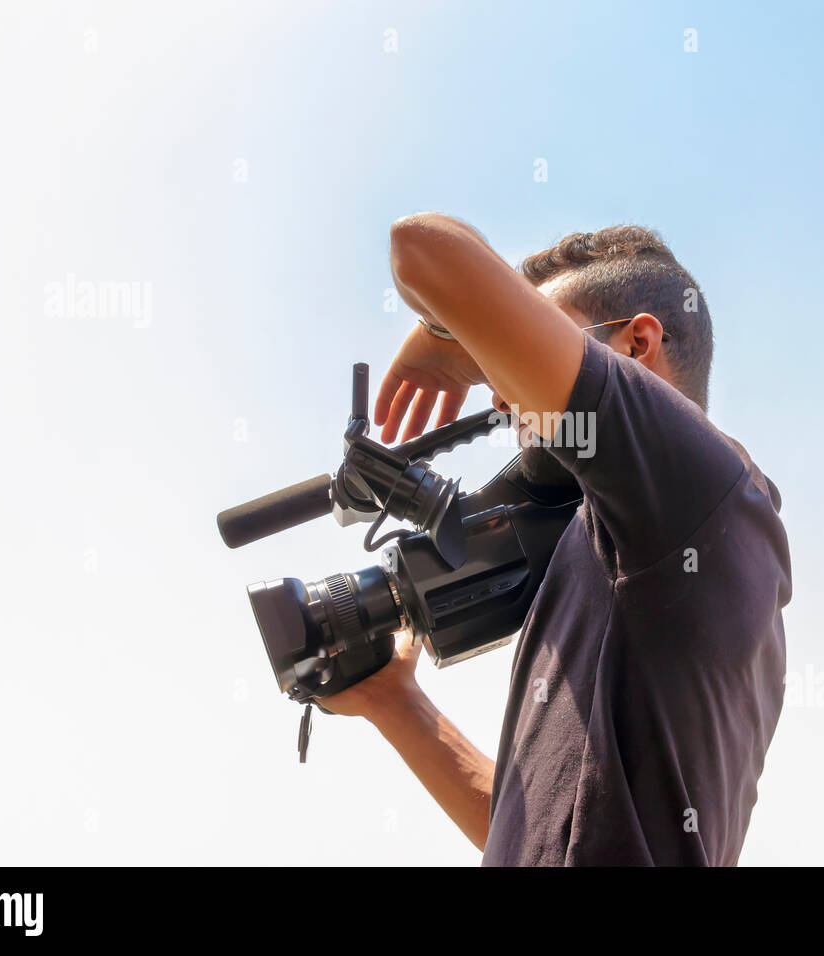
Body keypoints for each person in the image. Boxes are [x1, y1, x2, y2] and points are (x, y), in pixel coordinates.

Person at [320, 214, 792, 865]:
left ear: (634, 345)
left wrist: (452, 334)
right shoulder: (627, 541)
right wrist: (394, 703)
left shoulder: (696, 482)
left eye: (533, 333)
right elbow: (537, 829)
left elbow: (421, 248)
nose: (503, 396)